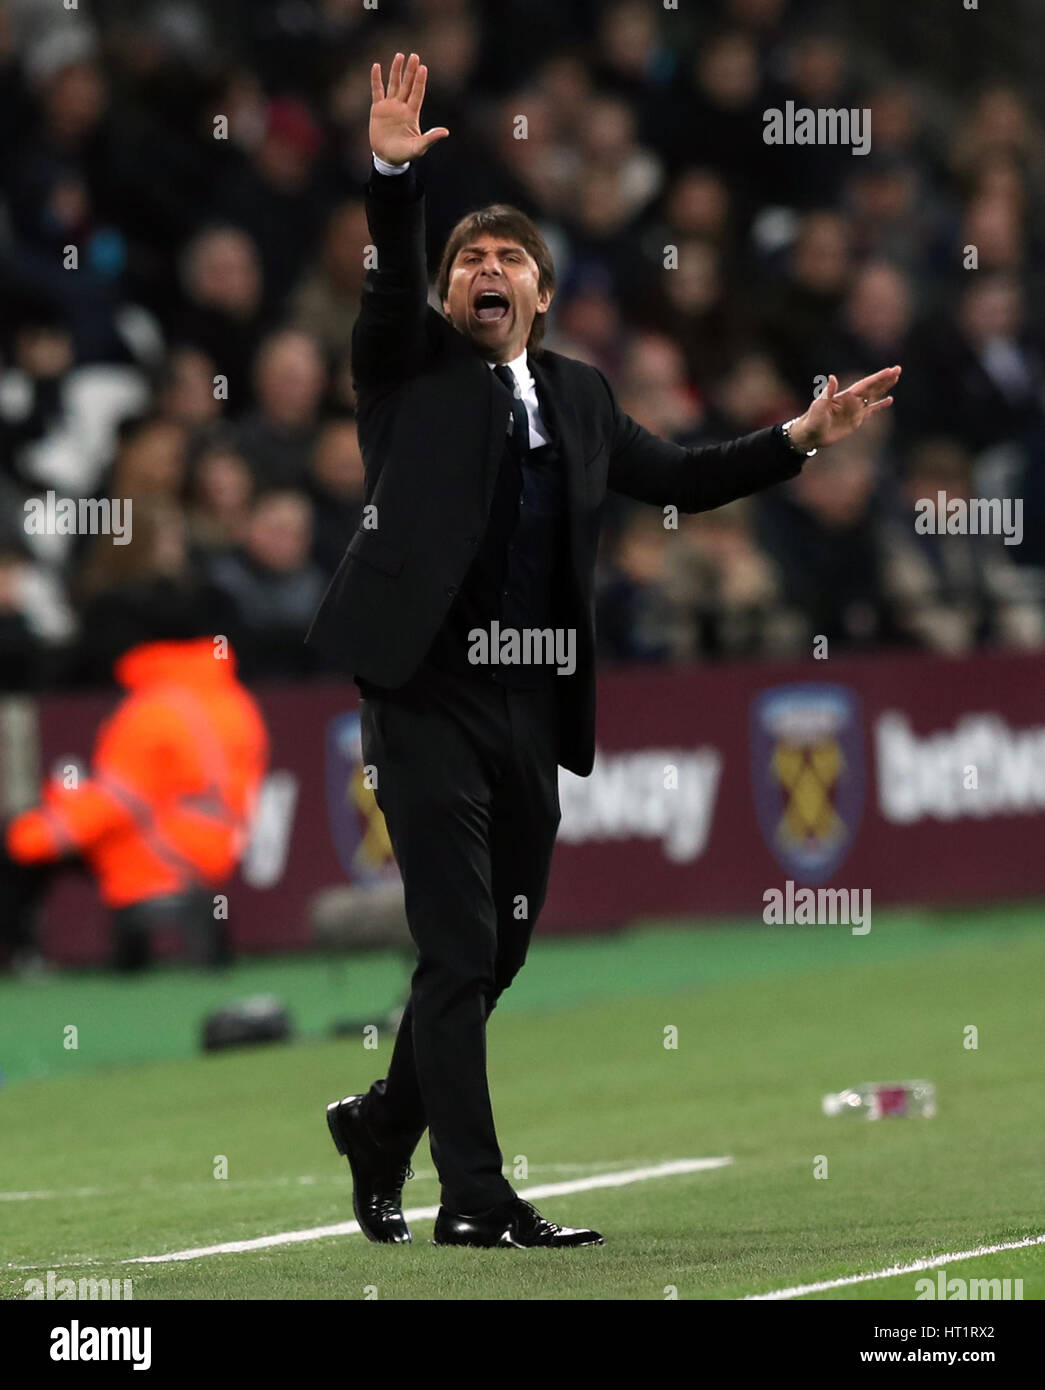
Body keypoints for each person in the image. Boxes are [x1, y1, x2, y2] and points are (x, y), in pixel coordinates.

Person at [306, 52, 901, 1250]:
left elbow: (680, 478)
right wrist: (389, 176)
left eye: (508, 258)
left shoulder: (577, 397)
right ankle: (474, 1199)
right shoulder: (403, 363)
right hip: (422, 691)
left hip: (530, 703)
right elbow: (384, 277)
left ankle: (383, 1122)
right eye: (468, 258)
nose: (486, 269)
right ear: (444, 289)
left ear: (541, 290)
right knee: (458, 945)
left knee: (499, 950)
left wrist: (800, 436)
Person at [0, 612, 269, 972]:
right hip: (217, 848)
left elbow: (114, 804)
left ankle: (21, 957)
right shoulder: (236, 702)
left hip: (158, 850)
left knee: (21, 845)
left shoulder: (152, 708)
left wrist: (33, 832)